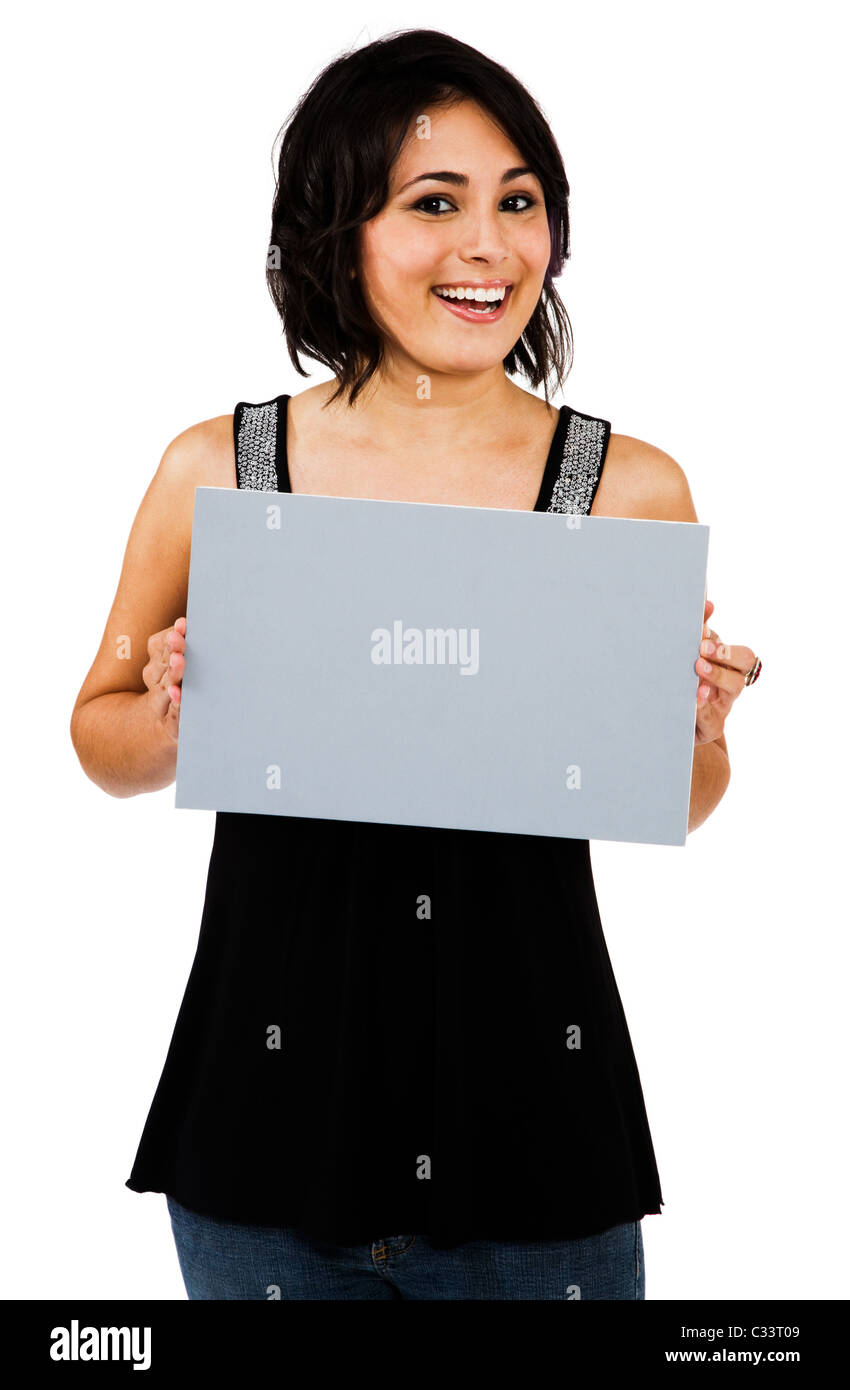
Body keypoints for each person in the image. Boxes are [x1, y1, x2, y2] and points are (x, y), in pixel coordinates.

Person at [70, 28, 759, 1301]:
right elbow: (97, 732)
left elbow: (675, 799)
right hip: (265, 1124)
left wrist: (698, 729)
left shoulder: (626, 488)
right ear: (337, 233)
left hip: (537, 1132)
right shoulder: (216, 466)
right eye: (431, 203)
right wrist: (171, 710)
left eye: (518, 202)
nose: (486, 245)